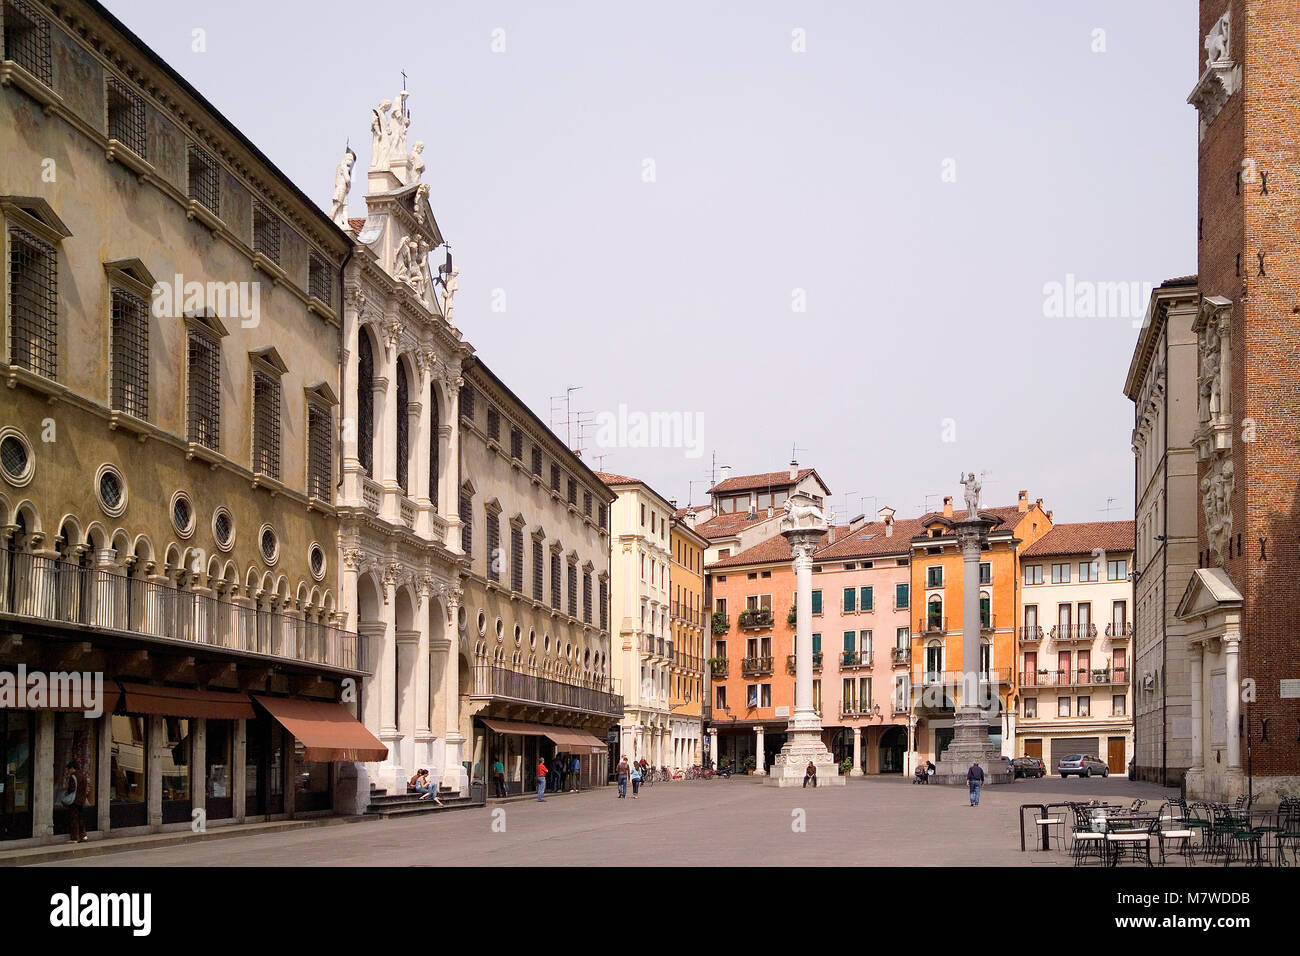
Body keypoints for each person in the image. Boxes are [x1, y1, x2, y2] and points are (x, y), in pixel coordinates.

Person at [62, 760, 87, 843]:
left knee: (74, 819)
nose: (69, 771)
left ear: (72, 768)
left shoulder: (73, 776)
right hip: (82, 800)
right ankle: (83, 835)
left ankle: (74, 838)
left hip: (74, 800)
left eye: (69, 769)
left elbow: (72, 789)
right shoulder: (83, 775)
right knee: (81, 818)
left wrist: (67, 791)